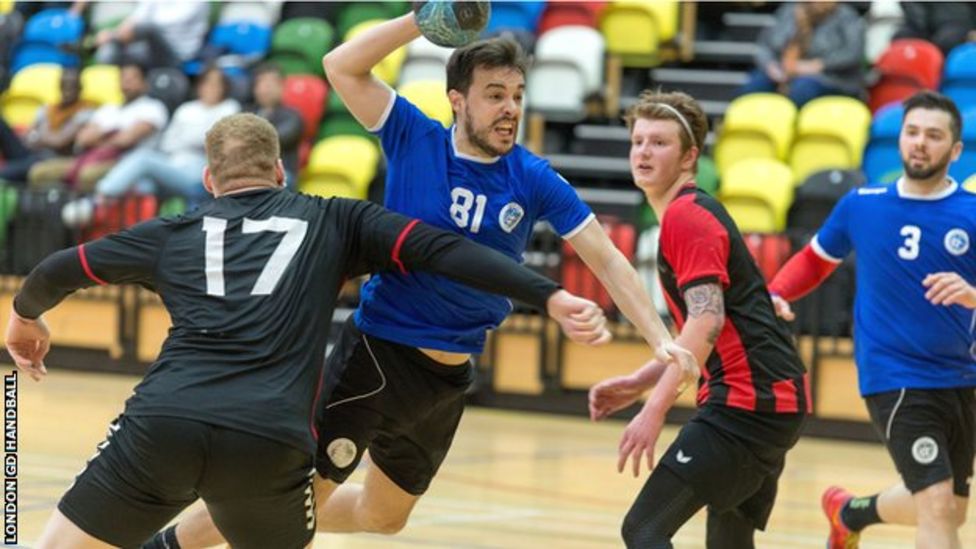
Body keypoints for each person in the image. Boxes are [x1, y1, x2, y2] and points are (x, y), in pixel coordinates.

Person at [156, 14, 694, 549]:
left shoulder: (531, 177)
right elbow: (340, 65)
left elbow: (607, 258)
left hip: (448, 378)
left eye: (516, 94)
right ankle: (164, 546)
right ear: (457, 100)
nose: (510, 108)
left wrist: (660, 338)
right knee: (295, 497)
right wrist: (422, 19)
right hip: (378, 355)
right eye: (494, 95)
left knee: (383, 516)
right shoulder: (415, 138)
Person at [5, 112, 610, 549]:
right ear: (279, 171)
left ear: (209, 182)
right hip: (269, 443)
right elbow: (444, 250)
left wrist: (25, 319)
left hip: (164, 423)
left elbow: (60, 270)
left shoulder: (172, 231)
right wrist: (548, 293)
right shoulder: (333, 219)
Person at [588, 90, 810, 549]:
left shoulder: (686, 217)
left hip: (749, 402)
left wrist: (654, 410)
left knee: (645, 529)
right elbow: (699, 325)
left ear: (690, 155)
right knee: (728, 541)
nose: (644, 152)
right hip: (774, 401)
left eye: (659, 143)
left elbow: (707, 322)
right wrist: (639, 381)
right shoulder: (689, 212)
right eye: (638, 141)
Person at [767, 90, 976, 549]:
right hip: (895, 374)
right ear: (900, 139)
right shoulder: (863, 203)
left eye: (934, 136)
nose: (920, 143)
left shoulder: (971, 214)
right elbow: (816, 259)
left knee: (951, 510)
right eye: (912, 132)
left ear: (955, 151)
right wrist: (777, 292)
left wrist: (973, 295)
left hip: (962, 376)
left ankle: (849, 512)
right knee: (937, 504)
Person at [60, 66, 240, 226]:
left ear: (224, 87)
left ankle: (97, 201)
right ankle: (142, 241)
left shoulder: (229, 108)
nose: (210, 87)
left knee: (143, 158)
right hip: (172, 164)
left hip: (199, 172)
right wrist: (197, 138)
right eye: (206, 83)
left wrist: (193, 140)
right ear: (199, 86)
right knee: (143, 184)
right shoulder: (186, 108)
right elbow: (168, 142)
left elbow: (215, 144)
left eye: (216, 83)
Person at [30, 61, 168, 192]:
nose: (126, 83)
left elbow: (126, 141)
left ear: (144, 83)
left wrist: (100, 136)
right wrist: (111, 137)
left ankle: (85, 215)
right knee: (39, 172)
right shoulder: (109, 109)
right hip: (89, 158)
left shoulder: (153, 108)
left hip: (124, 163)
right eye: (123, 78)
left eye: (132, 79)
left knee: (87, 175)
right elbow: (83, 139)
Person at [738, 1, 865, 107]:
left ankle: (786, 130)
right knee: (755, 85)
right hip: (784, 71)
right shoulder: (788, 11)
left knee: (802, 88)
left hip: (830, 77)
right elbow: (764, 46)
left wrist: (819, 65)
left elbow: (853, 53)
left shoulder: (846, 16)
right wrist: (770, 66)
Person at [0, 68, 95, 186]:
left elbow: (59, 141)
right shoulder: (49, 108)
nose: (67, 90)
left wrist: (39, 135)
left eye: (72, 86)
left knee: (4, 172)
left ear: (80, 88)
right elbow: (28, 136)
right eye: (64, 85)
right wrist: (39, 137)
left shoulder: (85, 111)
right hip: (30, 152)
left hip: (52, 158)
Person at [92, 0, 209, 70]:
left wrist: (119, 35)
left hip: (179, 53)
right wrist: (112, 34)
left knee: (147, 28)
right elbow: (137, 16)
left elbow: (172, 21)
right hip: (150, 48)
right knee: (109, 49)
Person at [244, 62, 302, 188]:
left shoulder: (292, 115)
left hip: (280, 171)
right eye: (261, 83)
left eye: (270, 84)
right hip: (248, 171)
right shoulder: (247, 113)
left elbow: (277, 139)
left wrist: (249, 139)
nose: (265, 88)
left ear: (281, 87)